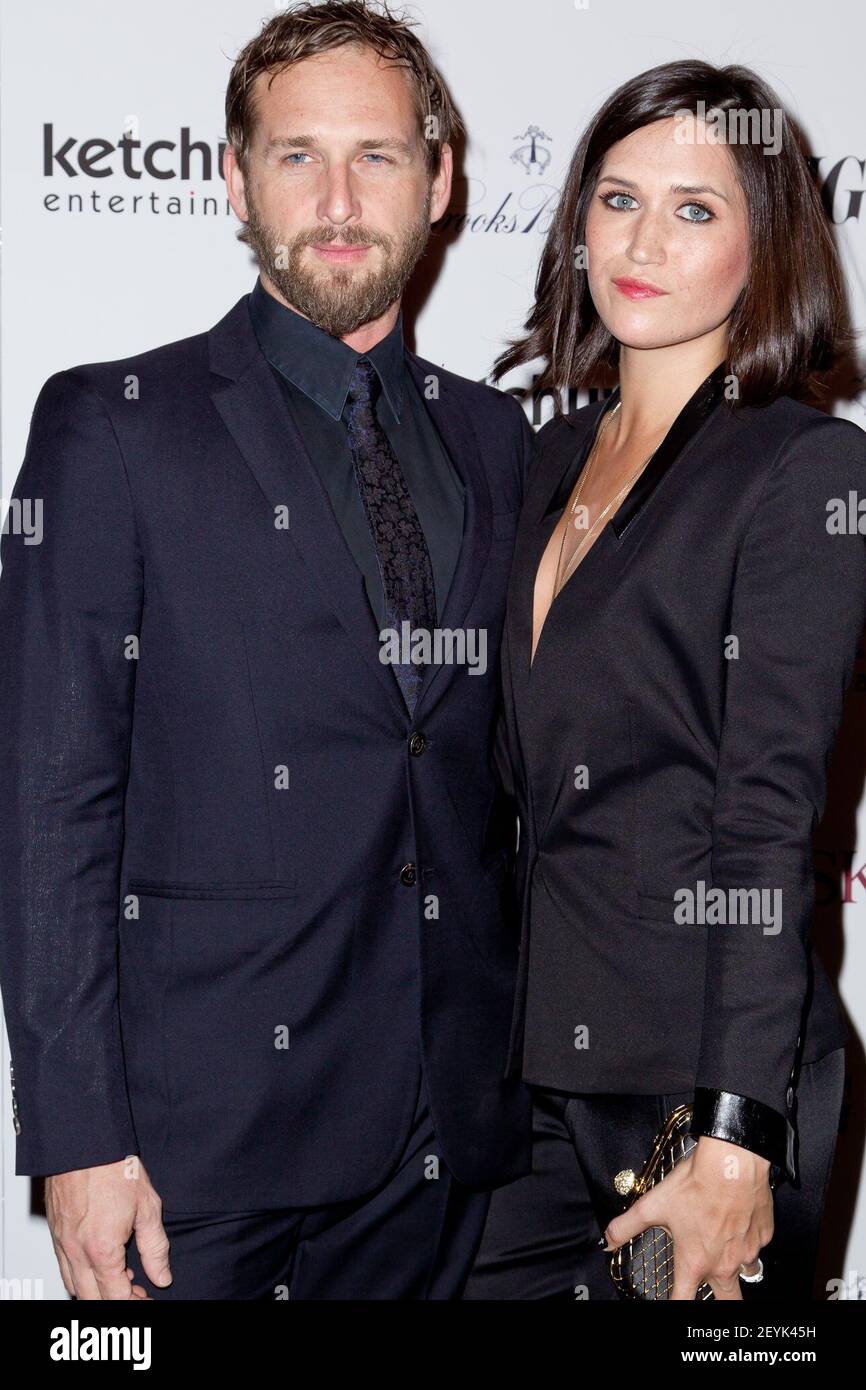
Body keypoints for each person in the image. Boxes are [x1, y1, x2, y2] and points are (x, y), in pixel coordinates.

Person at [0, 1, 533, 1301]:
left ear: (440, 180)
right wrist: (78, 1138)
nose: (340, 198)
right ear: (234, 179)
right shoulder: (111, 425)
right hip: (196, 1148)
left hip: (442, 1134)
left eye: (380, 155)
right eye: (298, 156)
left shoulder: (499, 440)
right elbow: (50, 799)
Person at [464, 59, 866, 1301]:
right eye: (617, 197)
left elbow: (765, 821)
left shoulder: (797, 473)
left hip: (701, 1082)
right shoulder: (534, 462)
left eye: (694, 209)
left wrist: (738, 1132)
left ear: (764, 246)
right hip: (521, 1072)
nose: (642, 238)